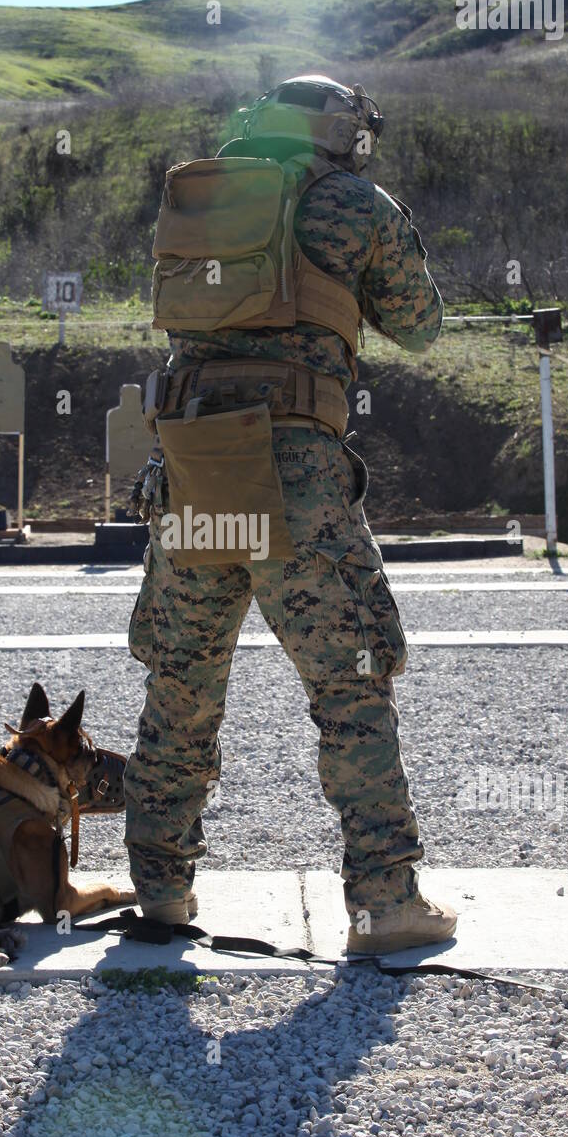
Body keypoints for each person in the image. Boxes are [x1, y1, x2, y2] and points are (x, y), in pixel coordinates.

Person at [124, 75, 457, 954]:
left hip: (194, 466)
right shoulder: (353, 201)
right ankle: (387, 904)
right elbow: (420, 324)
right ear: (342, 132)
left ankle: (161, 890)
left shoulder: (199, 197)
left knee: (182, 685)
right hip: (295, 471)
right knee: (350, 686)